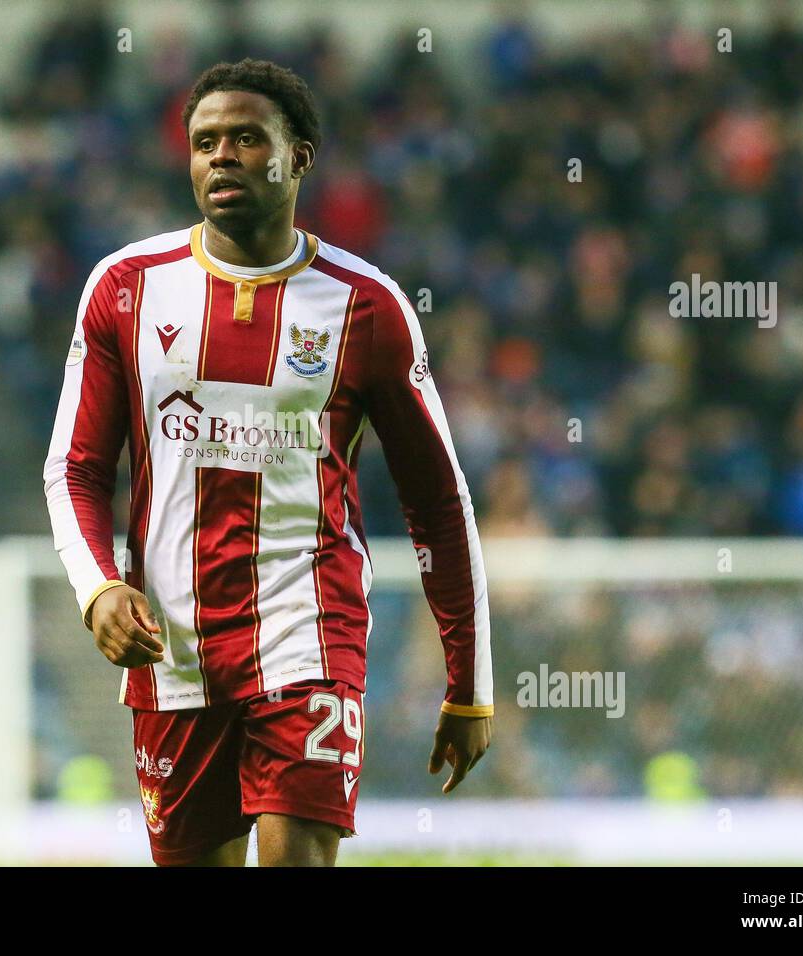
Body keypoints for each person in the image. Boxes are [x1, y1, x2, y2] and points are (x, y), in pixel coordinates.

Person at [43, 58, 492, 866]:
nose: (222, 156)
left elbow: (439, 502)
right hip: (172, 644)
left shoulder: (368, 306)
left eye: (247, 139)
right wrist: (97, 587)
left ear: (301, 157)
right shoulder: (123, 288)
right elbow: (76, 468)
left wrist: (468, 681)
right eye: (205, 141)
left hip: (308, 633)